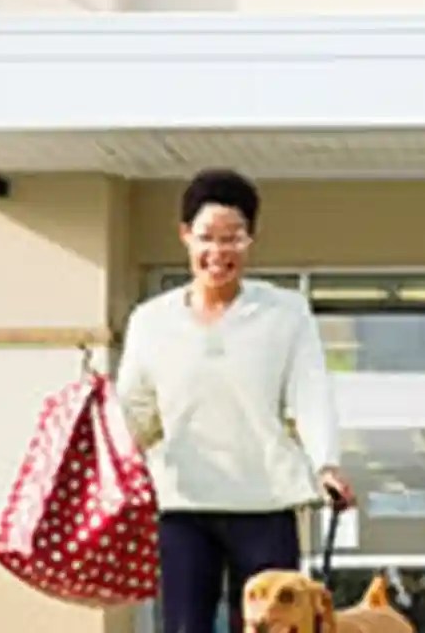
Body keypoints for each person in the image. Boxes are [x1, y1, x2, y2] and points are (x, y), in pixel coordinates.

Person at [116, 168, 356, 633]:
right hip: (183, 506)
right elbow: (134, 412)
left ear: (251, 240)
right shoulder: (151, 321)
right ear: (185, 236)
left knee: (279, 627)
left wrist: (326, 464)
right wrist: (107, 460)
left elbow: (310, 395)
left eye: (234, 238)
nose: (219, 253)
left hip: (265, 504)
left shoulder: (285, 313)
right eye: (207, 237)